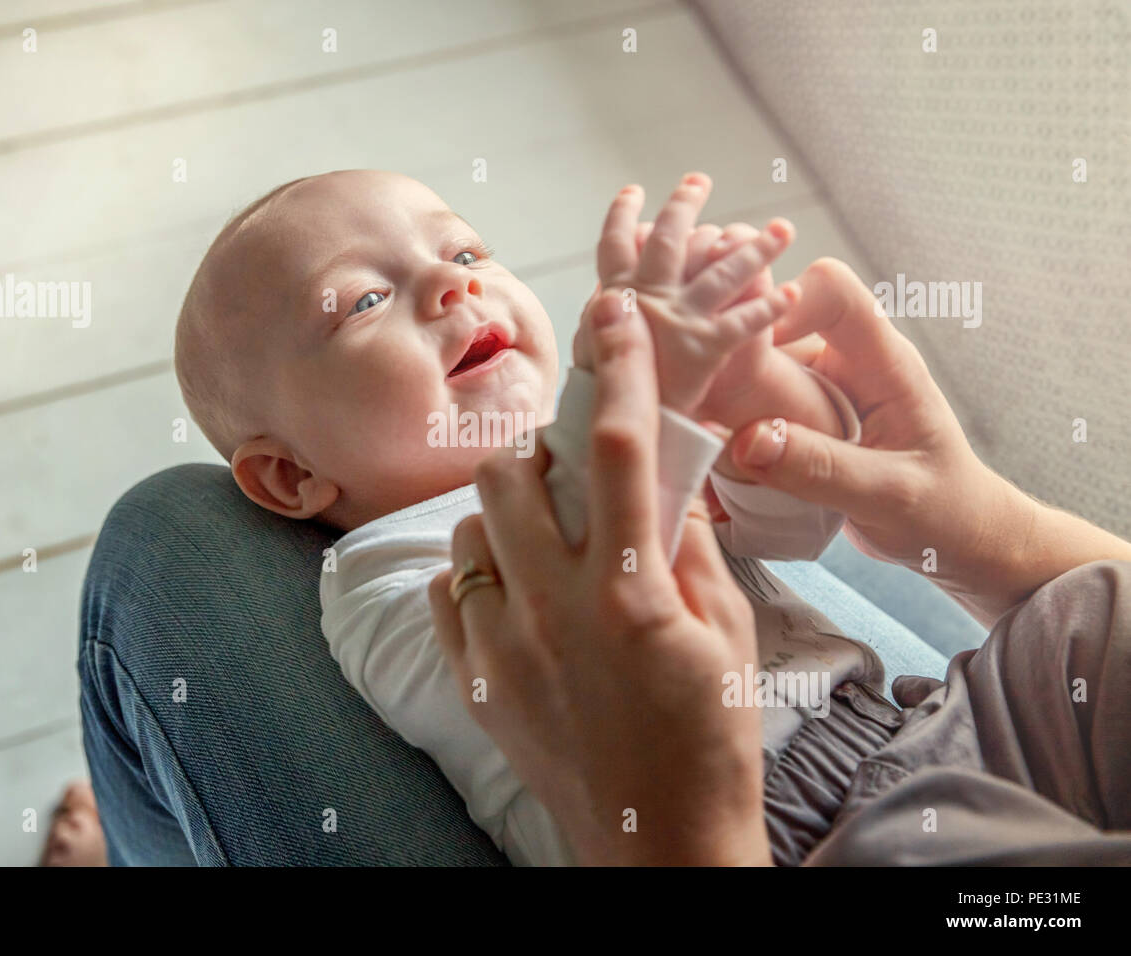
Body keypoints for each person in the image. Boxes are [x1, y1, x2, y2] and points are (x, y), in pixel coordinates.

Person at [427, 256, 1131, 864]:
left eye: (468, 250)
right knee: (1093, 610)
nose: (452, 281)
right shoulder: (388, 555)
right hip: (944, 734)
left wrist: (681, 843)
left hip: (813, 812)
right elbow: (788, 517)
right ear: (307, 477)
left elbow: (784, 531)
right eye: (363, 303)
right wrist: (991, 534)